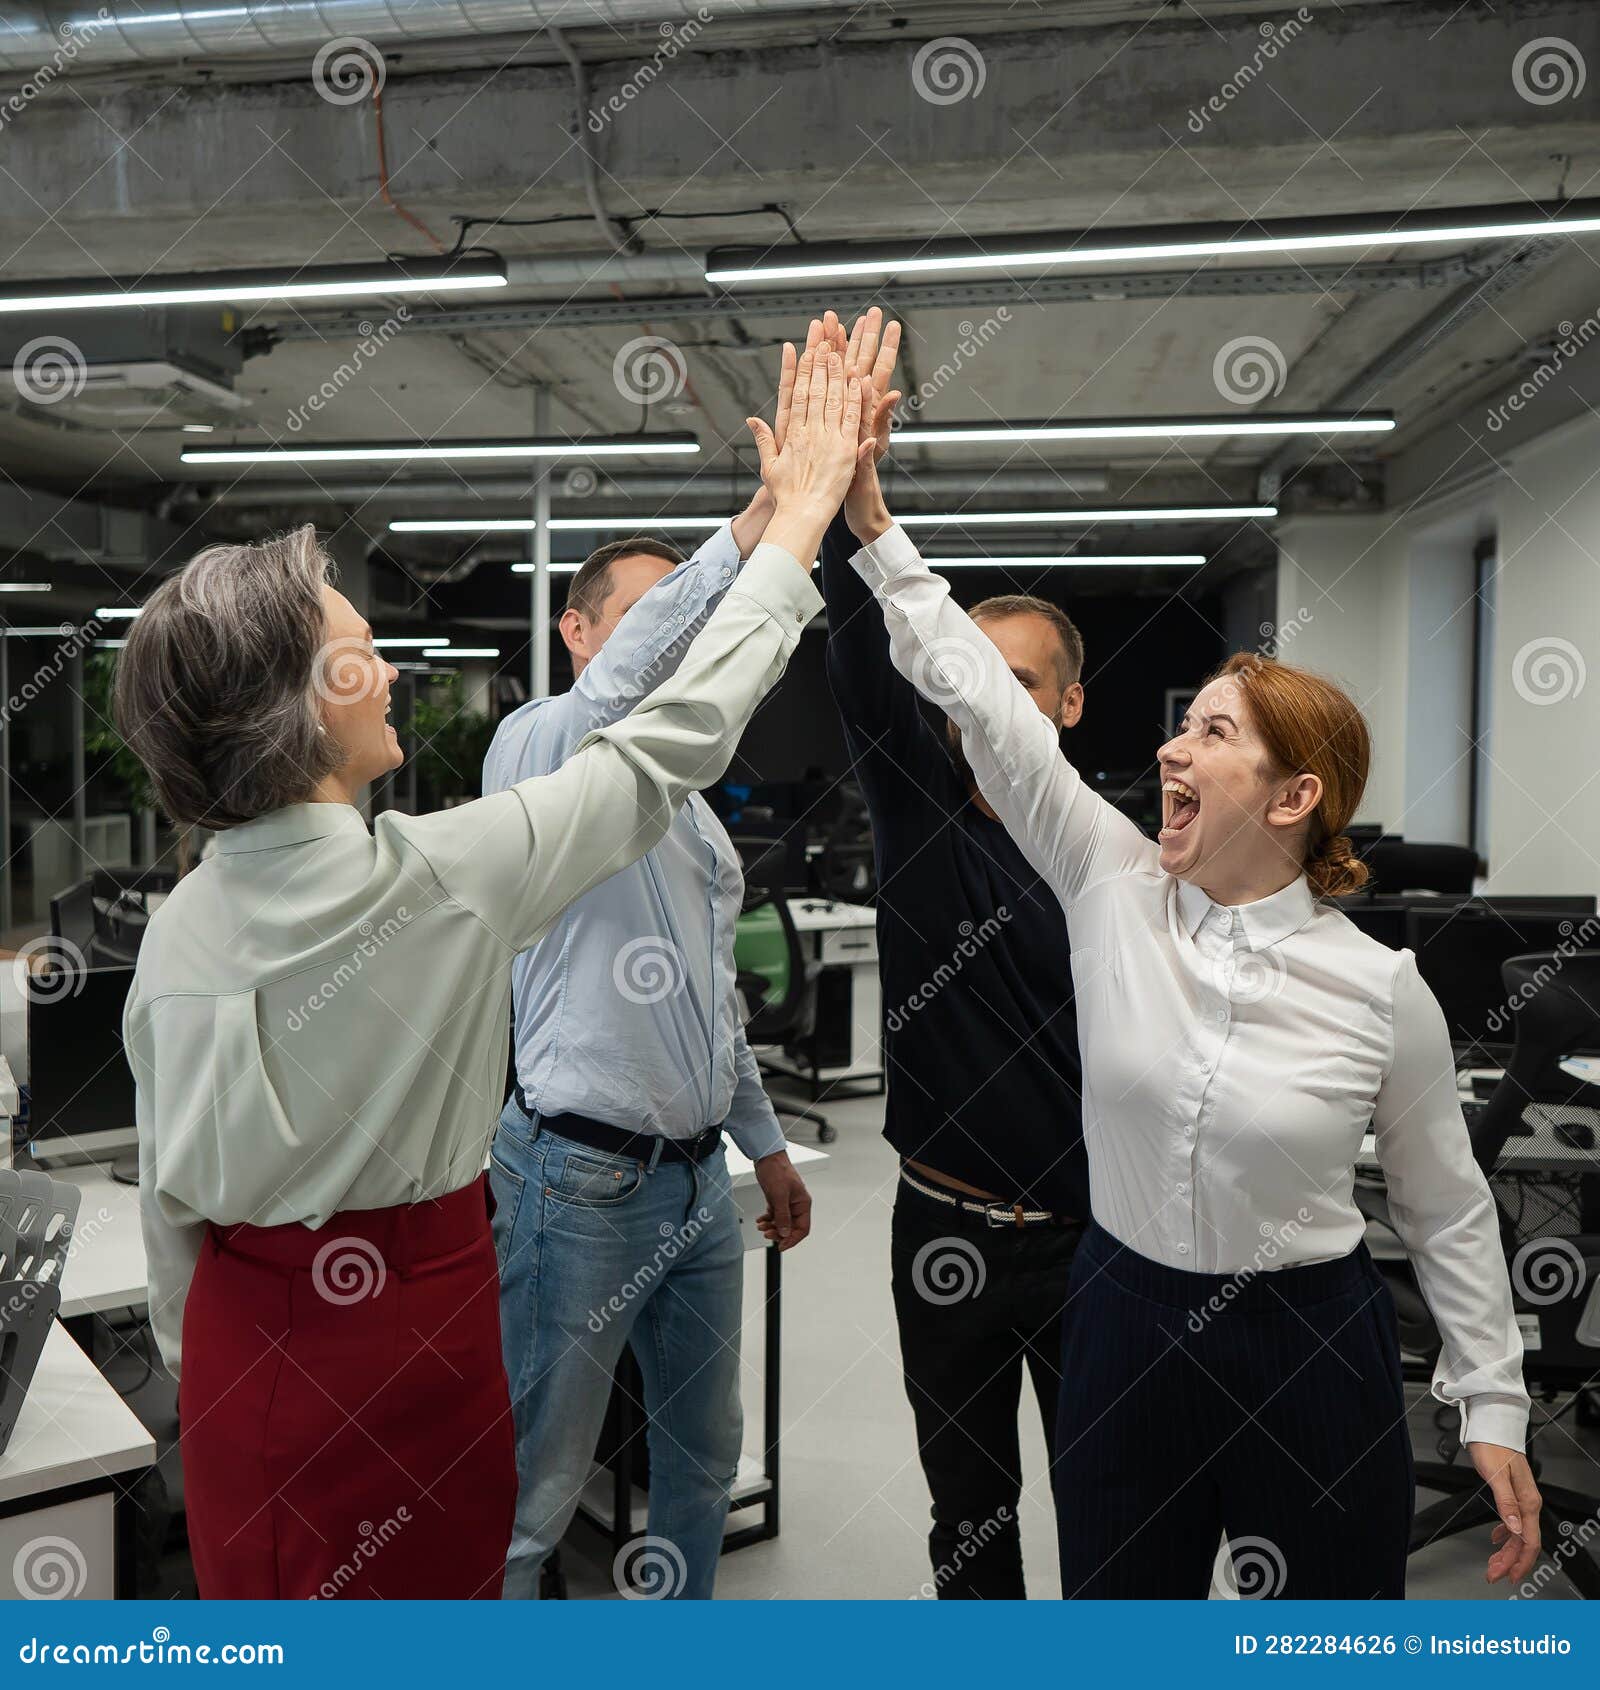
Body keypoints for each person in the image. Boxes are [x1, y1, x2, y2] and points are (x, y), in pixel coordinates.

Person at [115, 348, 863, 1600]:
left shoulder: (180, 928)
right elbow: (666, 740)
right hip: (416, 1338)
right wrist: (793, 528)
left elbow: (172, 1244)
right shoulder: (439, 877)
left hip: (251, 1368)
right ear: (304, 708)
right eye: (364, 651)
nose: (396, 667)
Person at [834, 447, 1541, 1598]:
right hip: (1121, 1312)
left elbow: (1444, 1204)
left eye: (1213, 734)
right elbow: (984, 707)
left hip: (1309, 1341)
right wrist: (872, 526)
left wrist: (1492, 1398)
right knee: (1124, 1614)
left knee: (1324, 1626)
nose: (1171, 746)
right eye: (1186, 725)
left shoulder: (1377, 986)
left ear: (1291, 794)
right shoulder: (1110, 883)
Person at [484, 347, 858, 1601]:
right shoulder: (539, 744)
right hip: (576, 1178)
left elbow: (711, 1011)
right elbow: (632, 678)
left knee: (701, 1459)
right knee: (536, 1485)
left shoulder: (689, 816)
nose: (685, 644)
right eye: (658, 620)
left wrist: (764, 1146)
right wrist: (766, 520)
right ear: (577, 630)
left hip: (696, 1179)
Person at [813, 310, 1090, 1598]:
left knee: (1110, 1519)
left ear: (1068, 704)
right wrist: (834, 480)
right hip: (946, 1235)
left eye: (1023, 683)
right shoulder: (917, 808)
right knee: (969, 1523)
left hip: (1099, 1240)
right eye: (971, 677)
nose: (994, 703)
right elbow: (868, 646)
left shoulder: (1120, 857)